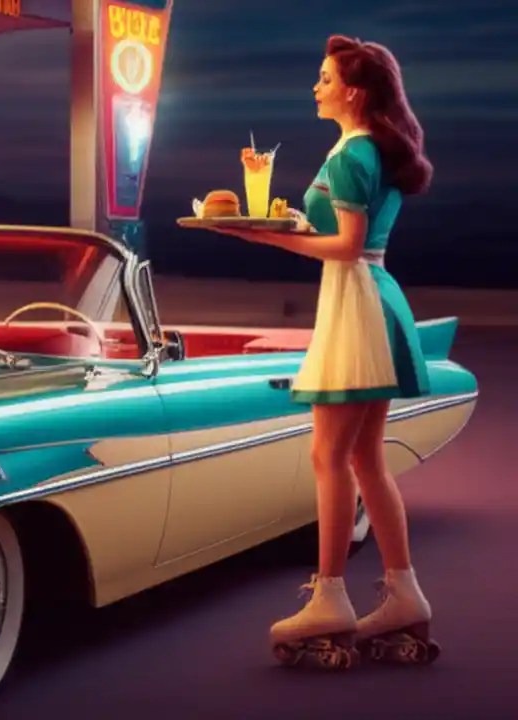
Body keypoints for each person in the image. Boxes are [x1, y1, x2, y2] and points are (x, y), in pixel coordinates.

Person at [212, 35, 440, 669]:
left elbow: (345, 245)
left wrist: (268, 240)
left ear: (354, 91)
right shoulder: (369, 150)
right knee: (365, 456)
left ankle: (331, 597)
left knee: (329, 454)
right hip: (376, 295)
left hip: (356, 302)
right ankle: (403, 594)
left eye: (324, 78)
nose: (315, 87)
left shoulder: (351, 155)